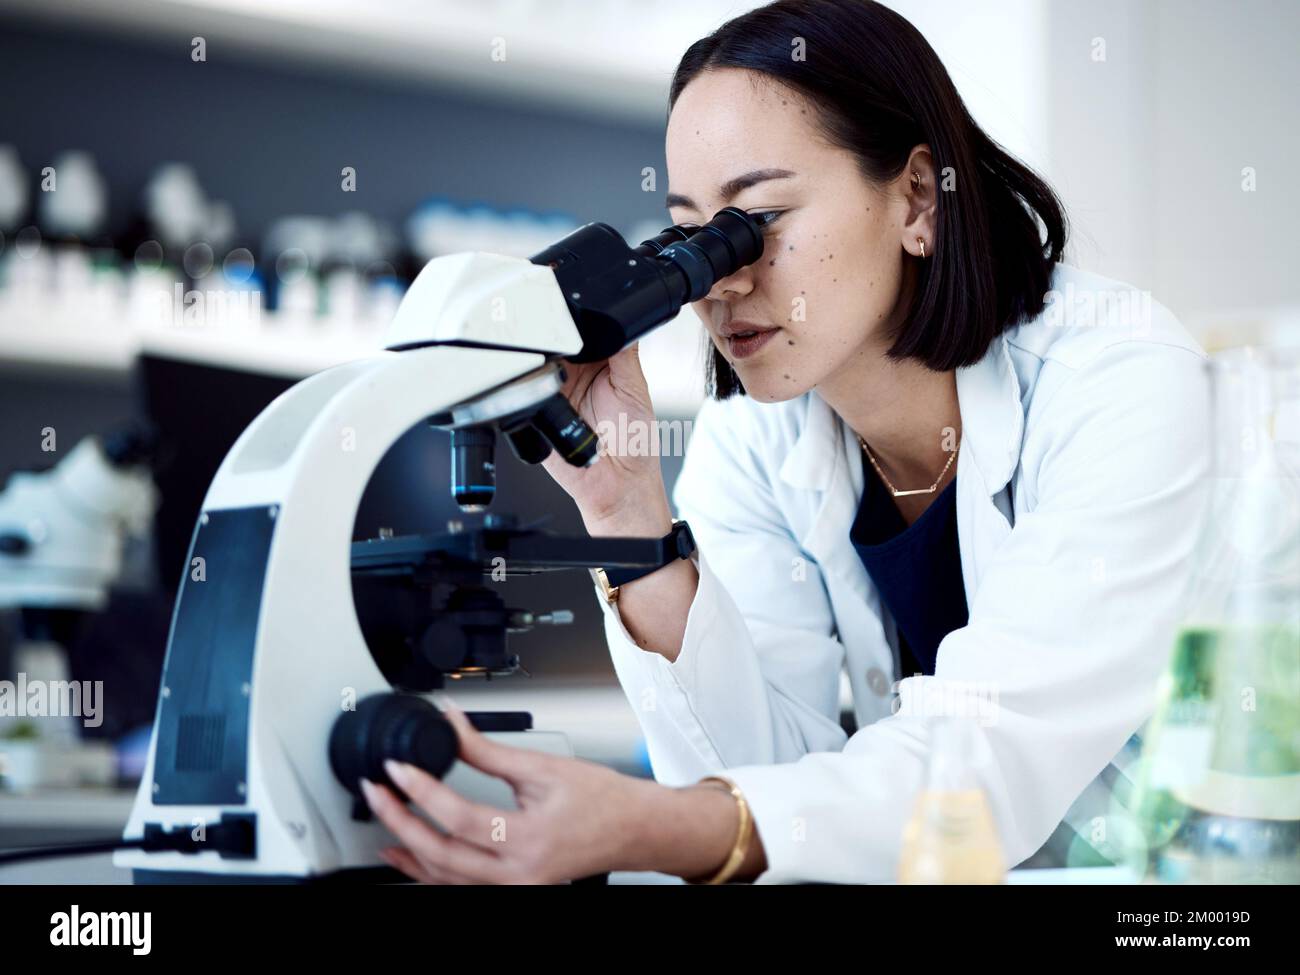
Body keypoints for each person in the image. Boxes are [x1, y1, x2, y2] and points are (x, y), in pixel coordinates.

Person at [362, 0, 1210, 884]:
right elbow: (747, 790)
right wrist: (625, 510)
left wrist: (641, 824)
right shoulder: (758, 433)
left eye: (756, 218)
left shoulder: (1120, 383)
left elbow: (980, 768)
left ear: (918, 198)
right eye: (693, 235)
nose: (719, 279)